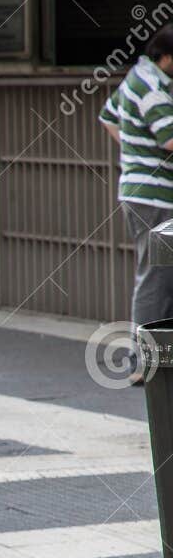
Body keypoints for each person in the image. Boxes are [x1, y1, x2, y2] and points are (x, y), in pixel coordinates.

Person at [101, 24, 173, 384]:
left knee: (159, 273)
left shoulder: (136, 77)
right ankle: (142, 358)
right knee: (156, 275)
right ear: (168, 57)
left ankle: (151, 355)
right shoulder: (152, 87)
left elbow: (108, 116)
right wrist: (143, 159)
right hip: (154, 196)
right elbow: (170, 139)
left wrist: (133, 155)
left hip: (141, 190)